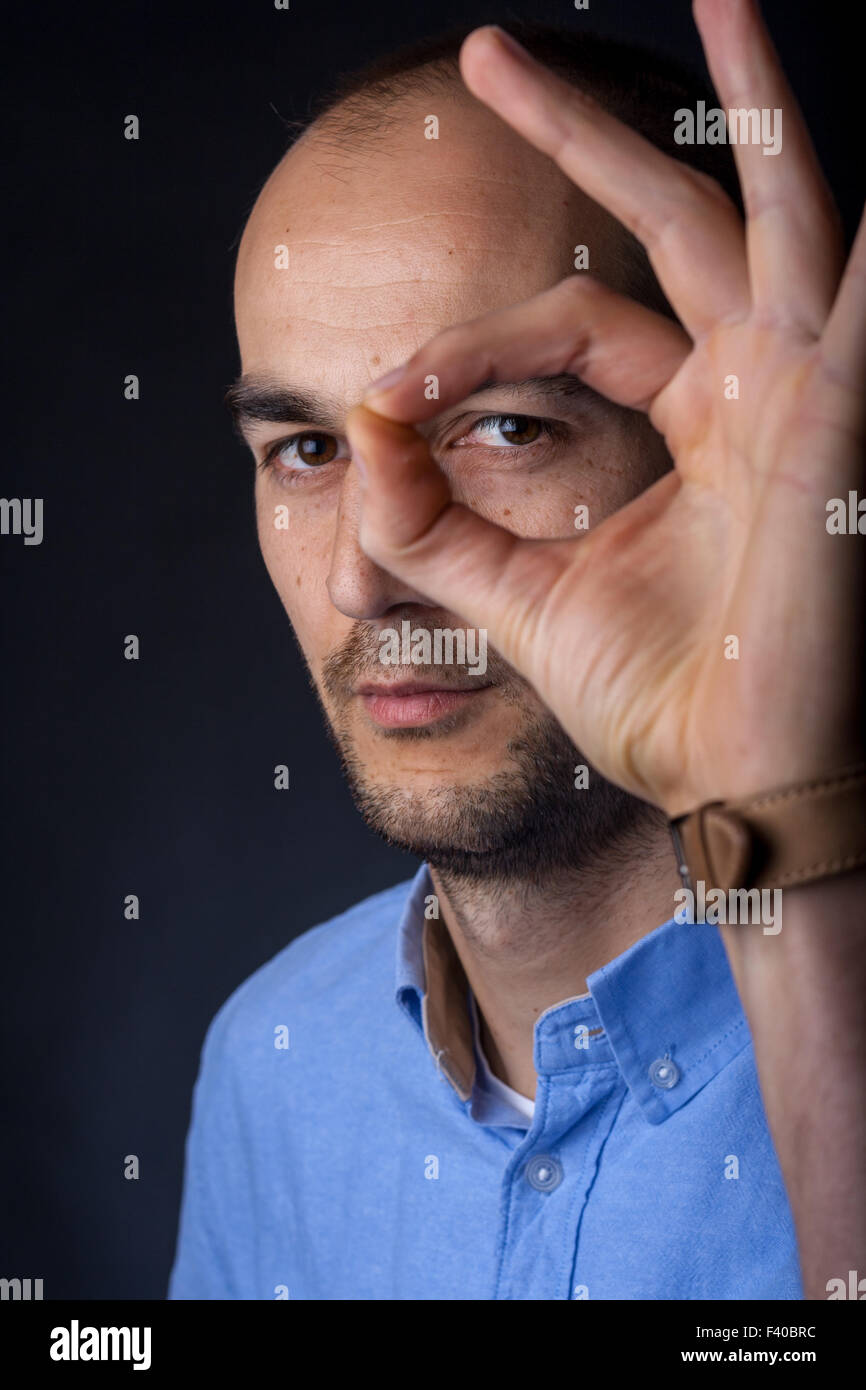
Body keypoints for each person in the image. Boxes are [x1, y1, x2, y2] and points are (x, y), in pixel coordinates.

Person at [168, 3, 866, 1300]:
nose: (362, 574)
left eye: (503, 429)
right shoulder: (272, 1065)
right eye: (305, 451)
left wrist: (778, 811)